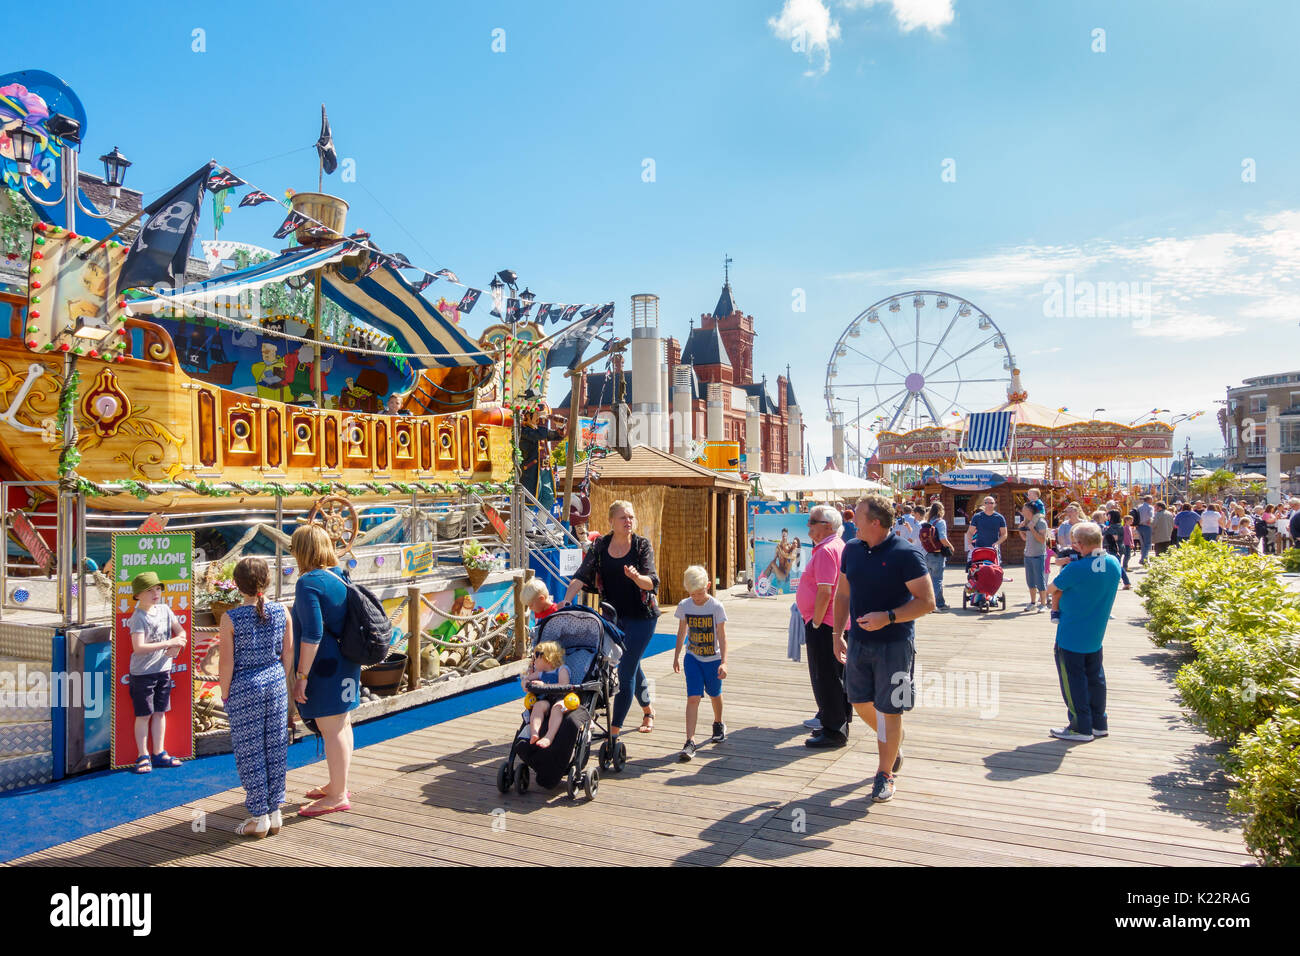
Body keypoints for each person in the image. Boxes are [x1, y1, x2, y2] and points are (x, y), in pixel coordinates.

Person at [834, 495, 936, 803]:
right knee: (858, 699)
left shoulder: (906, 554)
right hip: (858, 643)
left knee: (891, 709)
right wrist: (837, 632)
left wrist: (888, 617)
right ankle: (894, 741)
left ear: (875, 523)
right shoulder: (851, 549)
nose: (852, 522)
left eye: (859, 517)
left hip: (895, 645)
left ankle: (885, 773)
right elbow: (842, 595)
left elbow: (927, 602)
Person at [563, 499, 659, 740]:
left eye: (631, 517)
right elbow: (581, 576)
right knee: (630, 664)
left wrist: (637, 577)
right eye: (623, 517)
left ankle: (613, 735)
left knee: (626, 669)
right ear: (611, 521)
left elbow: (652, 584)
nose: (629, 521)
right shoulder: (600, 546)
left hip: (642, 617)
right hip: (611, 618)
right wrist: (565, 602)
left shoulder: (641, 546)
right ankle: (648, 710)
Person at [217, 557, 293, 837]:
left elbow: (227, 664)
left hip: (244, 686)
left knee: (250, 751)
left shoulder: (230, 618)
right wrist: (278, 678)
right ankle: (275, 812)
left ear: (238, 586)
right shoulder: (281, 610)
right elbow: (288, 654)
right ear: (268, 581)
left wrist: (225, 693)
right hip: (274, 682)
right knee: (275, 746)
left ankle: (259, 816)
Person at [290, 525, 358, 818]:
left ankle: (338, 795)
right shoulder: (339, 575)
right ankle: (338, 783)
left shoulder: (307, 583)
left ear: (301, 551)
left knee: (331, 730)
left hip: (325, 666)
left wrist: (301, 677)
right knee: (343, 724)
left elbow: (313, 634)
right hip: (347, 660)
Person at [1046, 522, 1120, 742]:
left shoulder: (1076, 569)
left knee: (1073, 681)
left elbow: (1051, 588)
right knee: (1096, 678)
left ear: (1078, 544)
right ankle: (1099, 723)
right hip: (1095, 633)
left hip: (1071, 634)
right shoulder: (1113, 563)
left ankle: (1080, 726)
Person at [798, 505, 849, 746]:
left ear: (827, 526)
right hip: (836, 621)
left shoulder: (826, 550)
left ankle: (833, 730)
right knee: (837, 675)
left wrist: (816, 622)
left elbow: (825, 591)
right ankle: (839, 721)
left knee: (825, 676)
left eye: (812, 521)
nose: (808, 525)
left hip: (826, 623)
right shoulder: (836, 546)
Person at [127, 572, 187, 774]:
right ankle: (142, 755)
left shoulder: (165, 609)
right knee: (143, 714)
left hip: (163, 670)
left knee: (160, 712)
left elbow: (181, 632)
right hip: (143, 673)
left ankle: (159, 752)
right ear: (137, 595)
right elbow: (138, 647)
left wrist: (178, 646)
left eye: (158, 589)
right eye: (149, 590)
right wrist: (169, 643)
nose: (155, 593)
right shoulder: (138, 617)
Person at [672, 565, 728, 761]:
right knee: (693, 697)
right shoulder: (685, 605)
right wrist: (677, 655)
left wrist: (724, 662)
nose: (696, 597)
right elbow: (681, 632)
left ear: (708, 586)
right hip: (693, 658)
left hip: (713, 659)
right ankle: (690, 741)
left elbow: (722, 635)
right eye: (692, 594)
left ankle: (718, 723)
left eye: (700, 593)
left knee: (715, 694)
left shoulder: (716, 607)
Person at [521, 642, 571, 748]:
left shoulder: (562, 669)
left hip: (561, 698)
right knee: (538, 706)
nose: (534, 662)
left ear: (546, 659)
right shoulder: (541, 673)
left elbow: (564, 685)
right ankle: (534, 732)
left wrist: (544, 686)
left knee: (557, 708)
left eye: (536, 658)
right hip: (546, 699)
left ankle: (549, 736)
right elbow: (527, 679)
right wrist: (525, 683)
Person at [919, 501, 954, 611]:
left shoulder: (928, 522)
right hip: (937, 554)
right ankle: (932, 605)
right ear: (941, 510)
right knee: (937, 580)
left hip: (927, 554)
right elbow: (943, 538)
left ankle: (940, 603)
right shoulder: (940, 522)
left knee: (931, 580)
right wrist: (951, 547)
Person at [1019, 502, 1049, 611]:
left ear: (1030, 511)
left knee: (1039, 580)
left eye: (1024, 509)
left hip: (1038, 555)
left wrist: (1032, 529)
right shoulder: (1027, 522)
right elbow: (1025, 539)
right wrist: (1021, 530)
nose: (1022, 511)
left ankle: (1043, 604)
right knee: (1030, 580)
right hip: (1028, 554)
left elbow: (1042, 540)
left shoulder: (1041, 522)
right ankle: (1032, 602)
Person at [970, 496, 1008, 561]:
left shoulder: (999, 517)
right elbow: (970, 532)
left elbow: (1004, 534)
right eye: (987, 503)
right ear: (983, 504)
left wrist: (997, 543)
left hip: (993, 549)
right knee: (979, 568)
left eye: (991, 503)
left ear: (995, 504)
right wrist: (969, 544)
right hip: (979, 548)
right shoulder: (977, 517)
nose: (989, 505)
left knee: (993, 569)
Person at [1102, 511, 1131, 590]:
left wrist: (1105, 536)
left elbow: (1115, 537)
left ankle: (1126, 582)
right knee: (1116, 564)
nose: (1107, 517)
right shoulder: (1119, 526)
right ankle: (1126, 582)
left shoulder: (1113, 527)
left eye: (1108, 516)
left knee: (1116, 565)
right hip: (1119, 547)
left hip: (1113, 548)